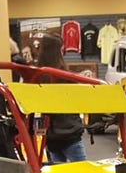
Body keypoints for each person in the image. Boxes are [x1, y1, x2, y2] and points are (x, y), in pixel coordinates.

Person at [33, 35, 87, 164]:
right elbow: (76, 99)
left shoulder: (37, 75)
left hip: (50, 134)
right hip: (69, 131)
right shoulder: (63, 74)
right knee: (83, 171)